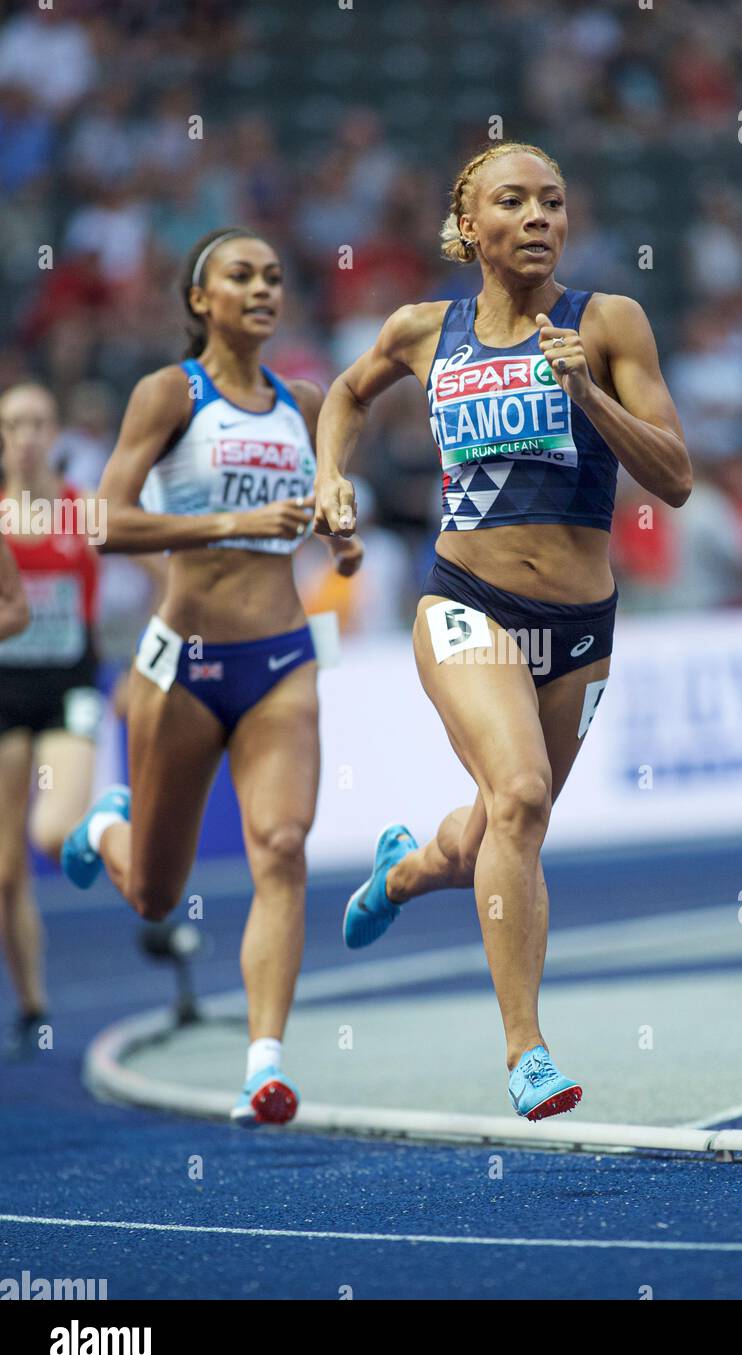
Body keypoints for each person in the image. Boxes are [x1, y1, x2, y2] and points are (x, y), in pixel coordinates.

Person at [314, 142, 691, 1121]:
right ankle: (526, 1051)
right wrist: (329, 479)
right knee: (520, 797)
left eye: (554, 202)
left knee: (494, 828)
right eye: (514, 202)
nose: (538, 217)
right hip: (466, 604)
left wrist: (590, 396)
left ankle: (405, 866)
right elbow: (346, 395)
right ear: (469, 227)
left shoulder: (607, 321)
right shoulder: (422, 330)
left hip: (581, 627)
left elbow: (678, 478)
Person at [61, 227, 362, 1124]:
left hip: (280, 658)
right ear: (201, 300)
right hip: (181, 663)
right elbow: (107, 524)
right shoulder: (168, 394)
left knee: (281, 847)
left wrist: (335, 534)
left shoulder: (305, 403)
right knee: (155, 890)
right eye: (241, 275)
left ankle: (262, 1065)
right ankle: (107, 828)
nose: (263, 288)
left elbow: (329, 524)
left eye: (274, 275)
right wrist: (228, 524)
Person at [0, 383, 101, 1059]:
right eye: (15, 424)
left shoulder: (85, 512)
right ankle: (33, 1003)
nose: (29, 435)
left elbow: (157, 580)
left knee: (53, 830)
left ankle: (107, 827)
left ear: (56, 429)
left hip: (72, 690)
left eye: (39, 421)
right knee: (7, 871)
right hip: (7, 696)